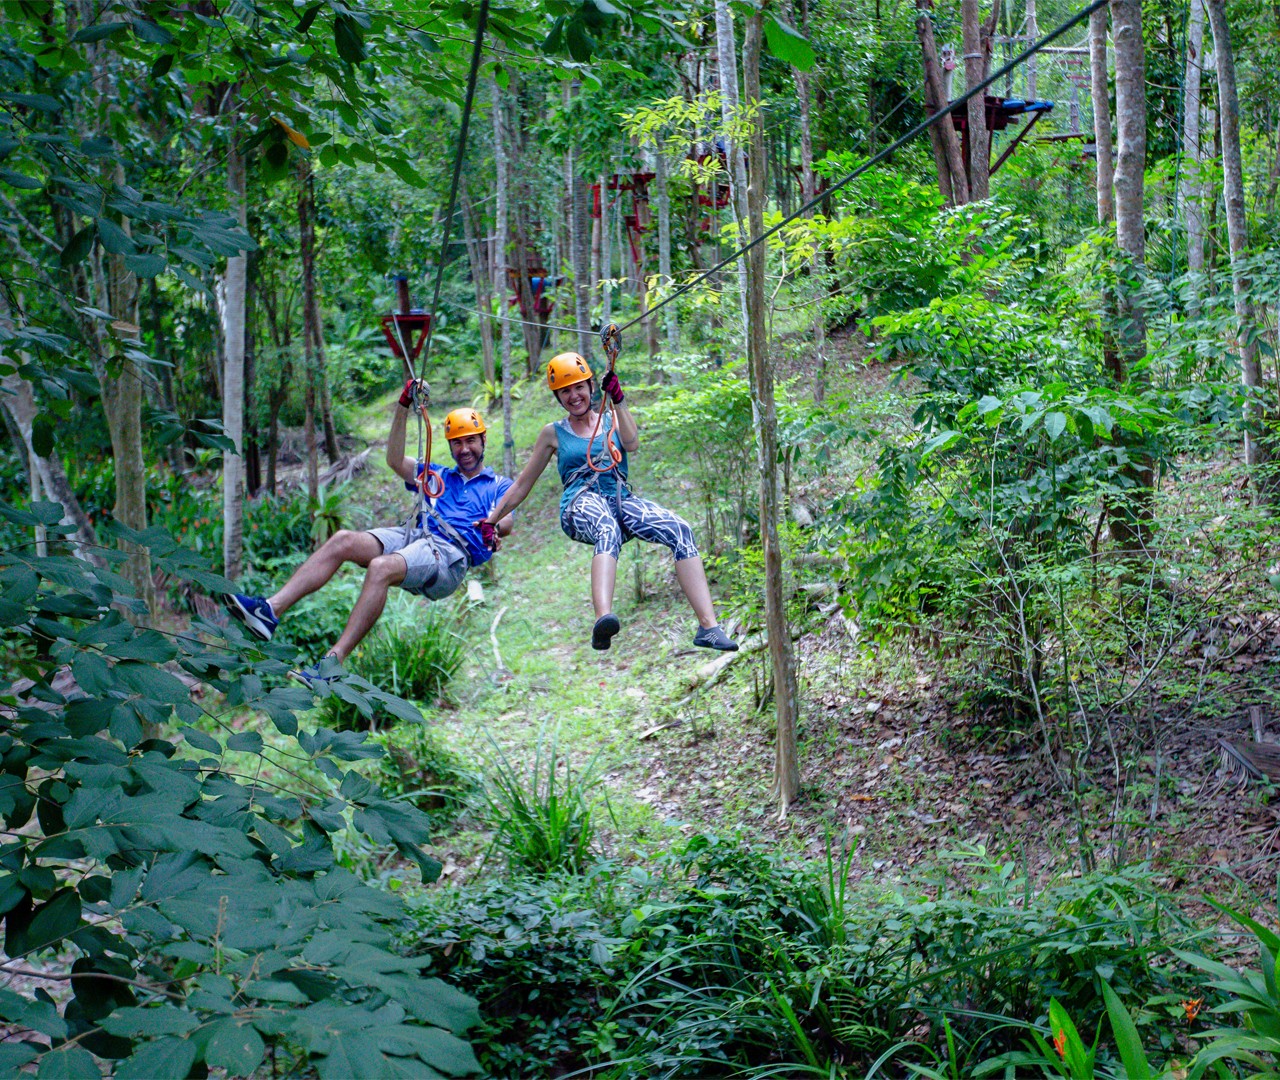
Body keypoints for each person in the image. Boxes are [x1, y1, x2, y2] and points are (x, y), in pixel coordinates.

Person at [225, 384, 513, 681]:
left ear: (483, 440)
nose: (464, 449)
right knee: (343, 540)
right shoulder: (437, 474)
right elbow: (394, 460)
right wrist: (402, 406)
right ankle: (269, 610)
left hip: (451, 556)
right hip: (418, 536)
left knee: (380, 568)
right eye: (457, 443)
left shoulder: (498, 485)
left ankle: (331, 664)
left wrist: (492, 526)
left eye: (470, 441)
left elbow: (507, 522)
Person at [482, 352, 737, 653]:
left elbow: (632, 444)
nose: (574, 395)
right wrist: (492, 520)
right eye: (565, 391)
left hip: (619, 499)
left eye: (579, 386)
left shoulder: (610, 418)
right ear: (558, 397)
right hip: (579, 503)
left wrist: (619, 399)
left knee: (679, 528)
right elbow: (523, 484)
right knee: (606, 528)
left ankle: (708, 627)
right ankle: (603, 620)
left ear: (591, 386)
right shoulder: (553, 433)